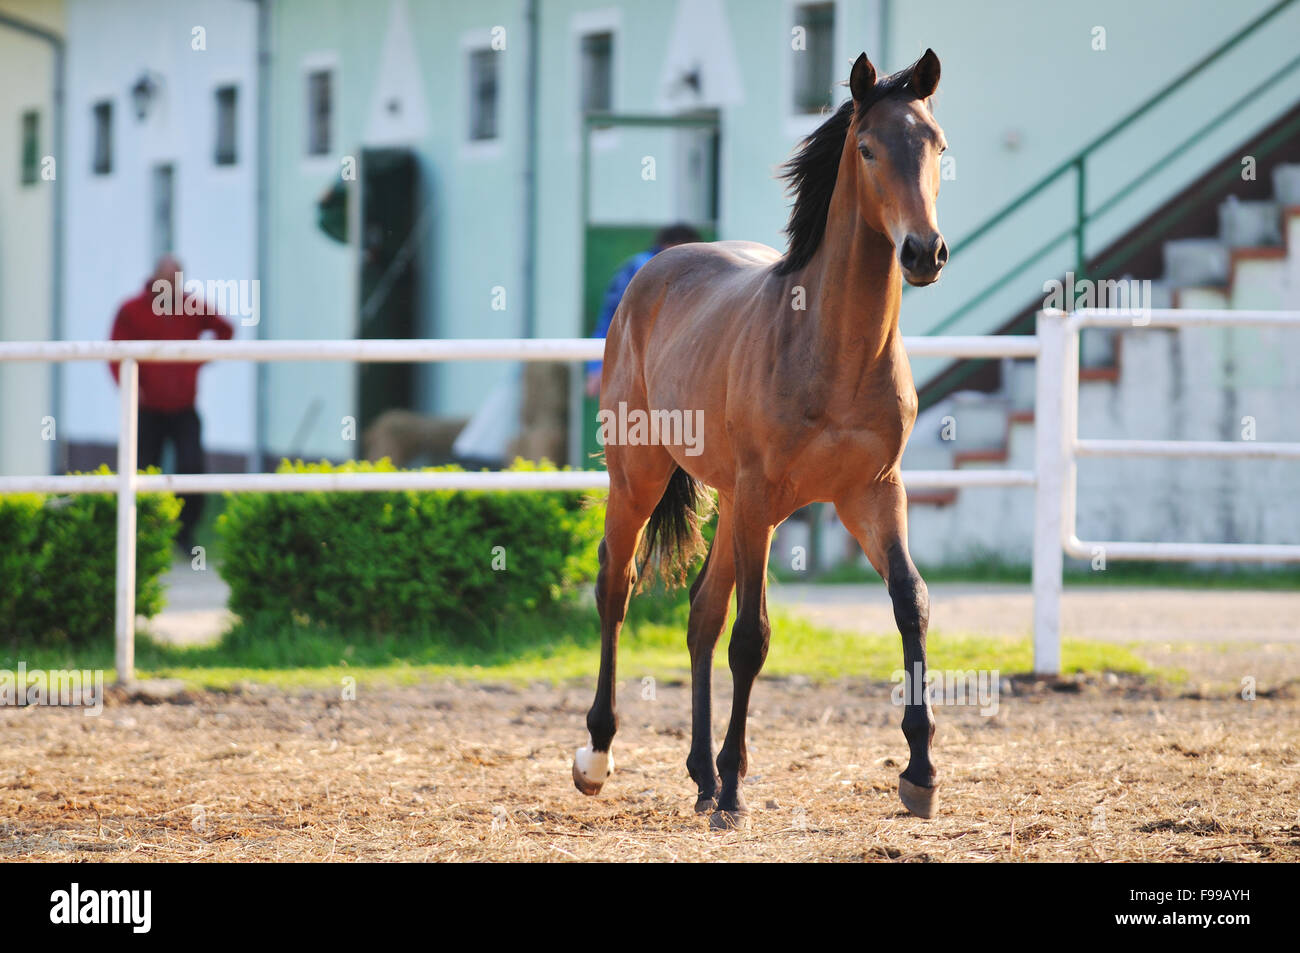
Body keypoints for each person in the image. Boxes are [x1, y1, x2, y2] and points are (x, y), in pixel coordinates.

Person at [108, 255, 234, 551]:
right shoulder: (133, 309)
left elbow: (224, 330)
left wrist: (196, 360)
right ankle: (141, 531)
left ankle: (185, 533)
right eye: (166, 279)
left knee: (191, 466)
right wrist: (130, 385)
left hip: (183, 406)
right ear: (154, 278)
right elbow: (114, 350)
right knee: (142, 469)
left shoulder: (191, 306)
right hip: (149, 407)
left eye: (176, 280)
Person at [585, 223, 702, 397]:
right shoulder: (640, 268)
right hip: (638, 365)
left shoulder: (701, 270)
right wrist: (597, 366)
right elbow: (612, 317)